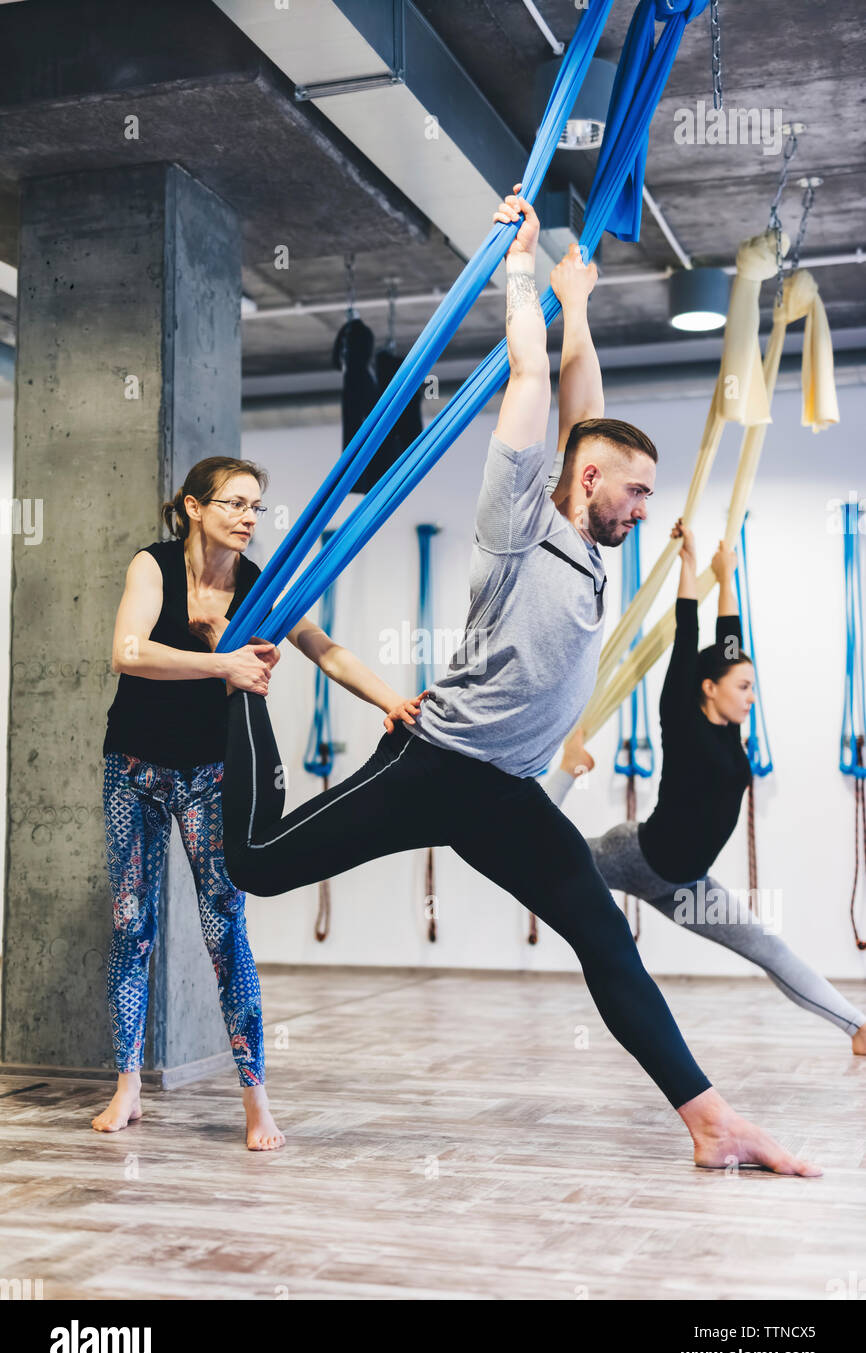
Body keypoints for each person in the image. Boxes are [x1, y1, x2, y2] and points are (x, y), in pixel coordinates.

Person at [217, 187, 821, 1176]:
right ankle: (236, 695)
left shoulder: (597, 551)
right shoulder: (518, 527)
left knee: (600, 933)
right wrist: (523, 266)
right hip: (435, 763)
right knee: (256, 865)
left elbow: (585, 400)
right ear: (585, 484)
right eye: (634, 489)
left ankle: (710, 1118)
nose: (643, 507)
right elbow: (537, 382)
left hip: (503, 792)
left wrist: (580, 299)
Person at [94, 456, 424, 1149]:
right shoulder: (153, 567)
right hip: (133, 768)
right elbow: (128, 651)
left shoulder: (261, 589)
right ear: (192, 507)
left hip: (210, 774)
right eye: (235, 504)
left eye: (256, 507)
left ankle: (256, 1101)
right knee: (131, 924)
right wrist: (223, 662)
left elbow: (325, 649)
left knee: (225, 929)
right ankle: (127, 1086)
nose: (249, 518)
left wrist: (391, 700)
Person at [547, 522, 866, 1051]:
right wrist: (690, 564)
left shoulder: (729, 726)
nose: (751, 697)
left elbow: (728, 643)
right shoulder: (680, 714)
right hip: (633, 855)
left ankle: (858, 1028)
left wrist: (727, 576)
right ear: (708, 688)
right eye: (743, 687)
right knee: (545, 852)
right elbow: (690, 635)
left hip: (687, 886)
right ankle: (567, 764)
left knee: (767, 946)